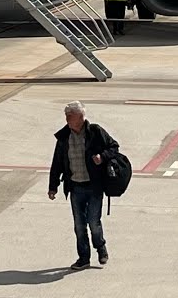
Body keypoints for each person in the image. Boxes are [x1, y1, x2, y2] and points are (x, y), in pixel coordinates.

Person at [48, 100, 120, 270]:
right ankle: (83, 258)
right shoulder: (64, 137)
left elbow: (114, 147)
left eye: (69, 116)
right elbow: (57, 162)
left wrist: (102, 157)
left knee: (93, 221)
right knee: (79, 225)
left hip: (94, 187)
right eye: (66, 116)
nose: (66, 119)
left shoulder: (95, 132)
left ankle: (101, 248)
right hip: (75, 187)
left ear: (80, 117)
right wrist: (53, 187)